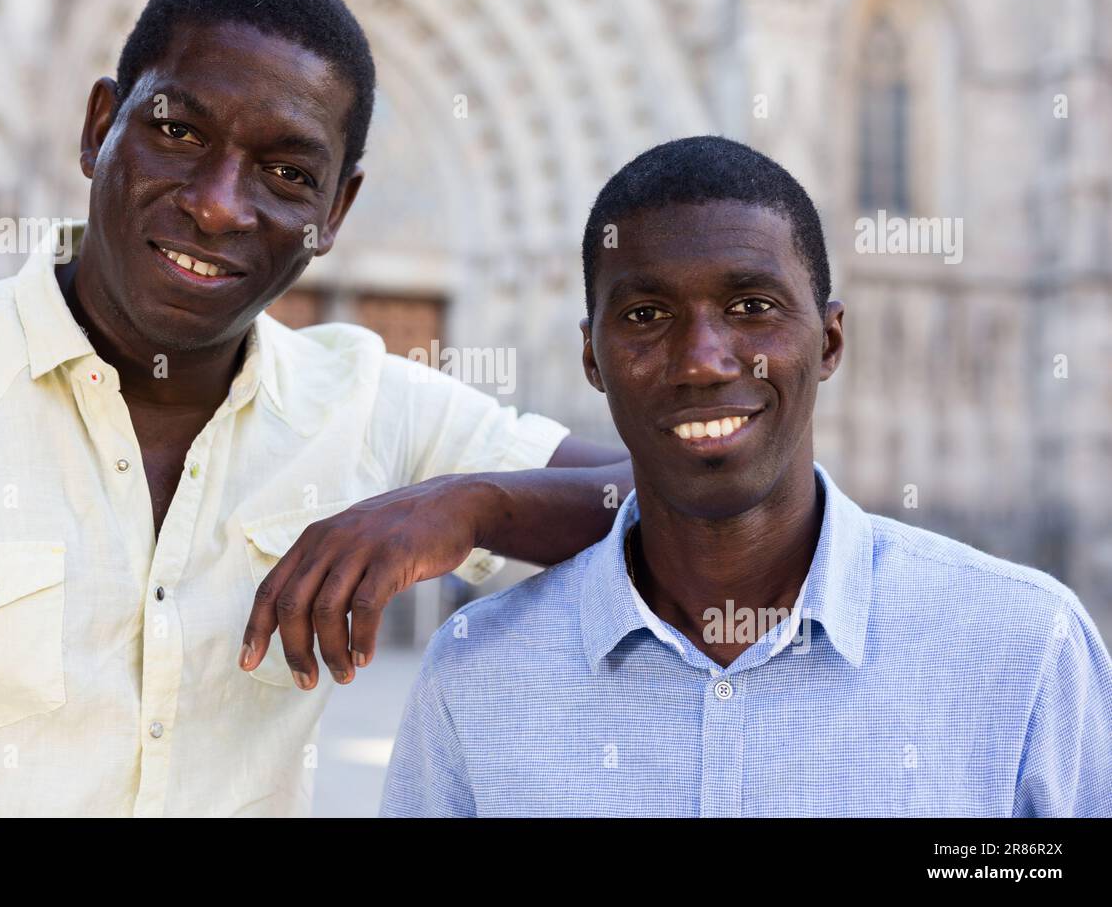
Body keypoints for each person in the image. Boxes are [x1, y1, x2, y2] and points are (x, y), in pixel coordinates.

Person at [0, 0, 631, 817]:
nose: (217, 206)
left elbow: (709, 511)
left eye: (288, 173)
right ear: (99, 127)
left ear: (335, 214)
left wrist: (468, 508)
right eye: (179, 132)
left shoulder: (368, 404)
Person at [380, 135, 1112, 817]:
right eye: (645, 313)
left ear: (829, 340)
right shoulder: (476, 676)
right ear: (591, 358)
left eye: (752, 306)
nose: (702, 358)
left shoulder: (1026, 650)